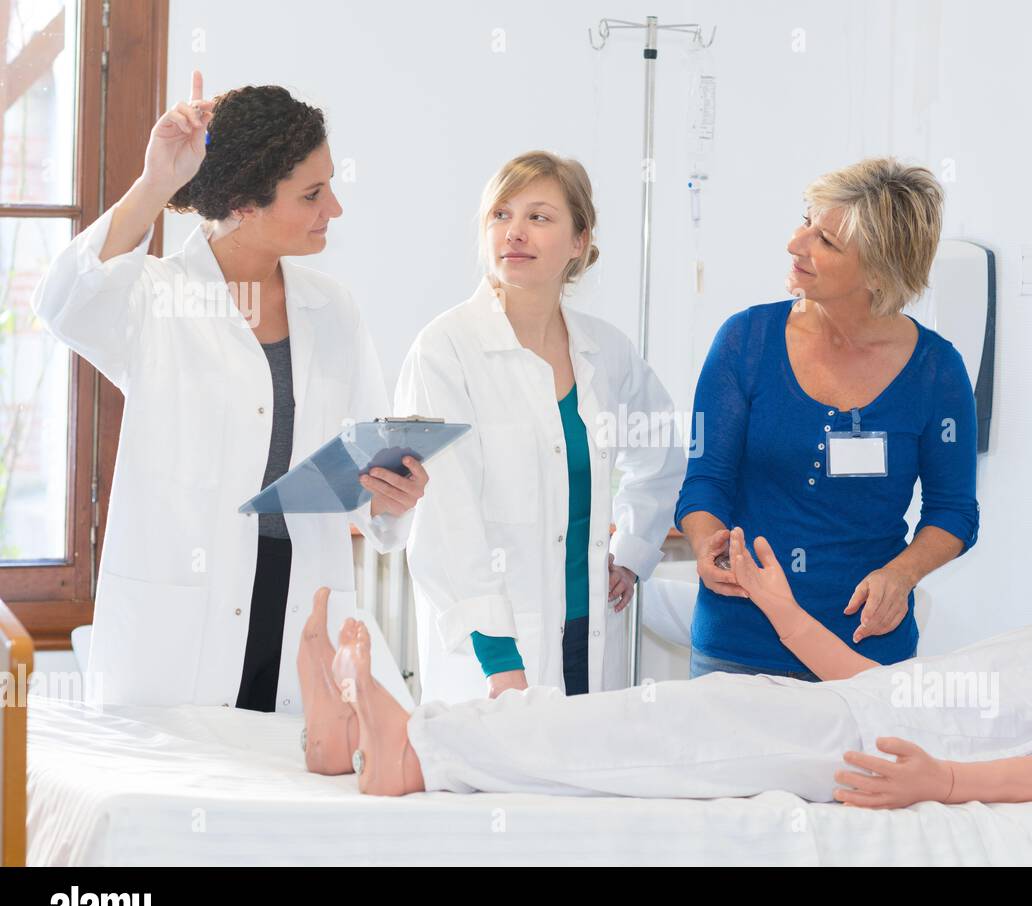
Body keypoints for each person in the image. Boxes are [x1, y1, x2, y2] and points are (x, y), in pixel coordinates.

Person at [297, 537, 1032, 805]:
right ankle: (393, 739)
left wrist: (946, 784)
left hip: (878, 752)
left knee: (657, 736)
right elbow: (871, 682)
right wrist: (785, 612)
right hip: (850, 709)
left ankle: (412, 751)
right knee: (654, 712)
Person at [32, 72, 424, 711]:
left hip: (299, 594)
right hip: (186, 610)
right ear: (245, 205)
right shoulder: (157, 298)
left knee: (292, 790)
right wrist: (158, 181)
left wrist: (392, 498)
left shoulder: (333, 310)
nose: (335, 210)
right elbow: (65, 301)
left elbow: (363, 466)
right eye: (313, 193)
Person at [393, 151, 685, 703]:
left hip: (592, 629)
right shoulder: (447, 348)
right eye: (500, 215)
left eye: (540, 217)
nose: (515, 232)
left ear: (579, 241)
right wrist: (499, 659)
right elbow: (446, 516)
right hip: (496, 647)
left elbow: (660, 448)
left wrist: (637, 547)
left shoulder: (607, 350)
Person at [675, 157, 979, 680]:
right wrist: (708, 545)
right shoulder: (745, 341)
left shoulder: (937, 370)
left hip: (863, 646)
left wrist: (901, 575)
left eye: (827, 242)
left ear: (881, 272)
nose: (797, 243)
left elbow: (954, 513)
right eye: (806, 220)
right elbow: (705, 482)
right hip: (738, 639)